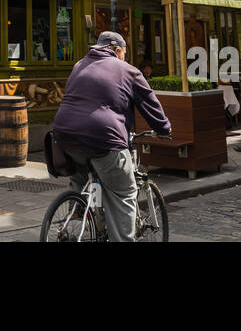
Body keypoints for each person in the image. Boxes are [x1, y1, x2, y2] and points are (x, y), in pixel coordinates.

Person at [52, 32, 172, 242]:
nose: (124, 57)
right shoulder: (127, 70)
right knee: (124, 192)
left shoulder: (80, 64)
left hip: (63, 135)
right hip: (103, 138)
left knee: (81, 172)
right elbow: (150, 104)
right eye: (124, 53)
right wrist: (164, 129)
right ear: (117, 50)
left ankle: (78, 212)